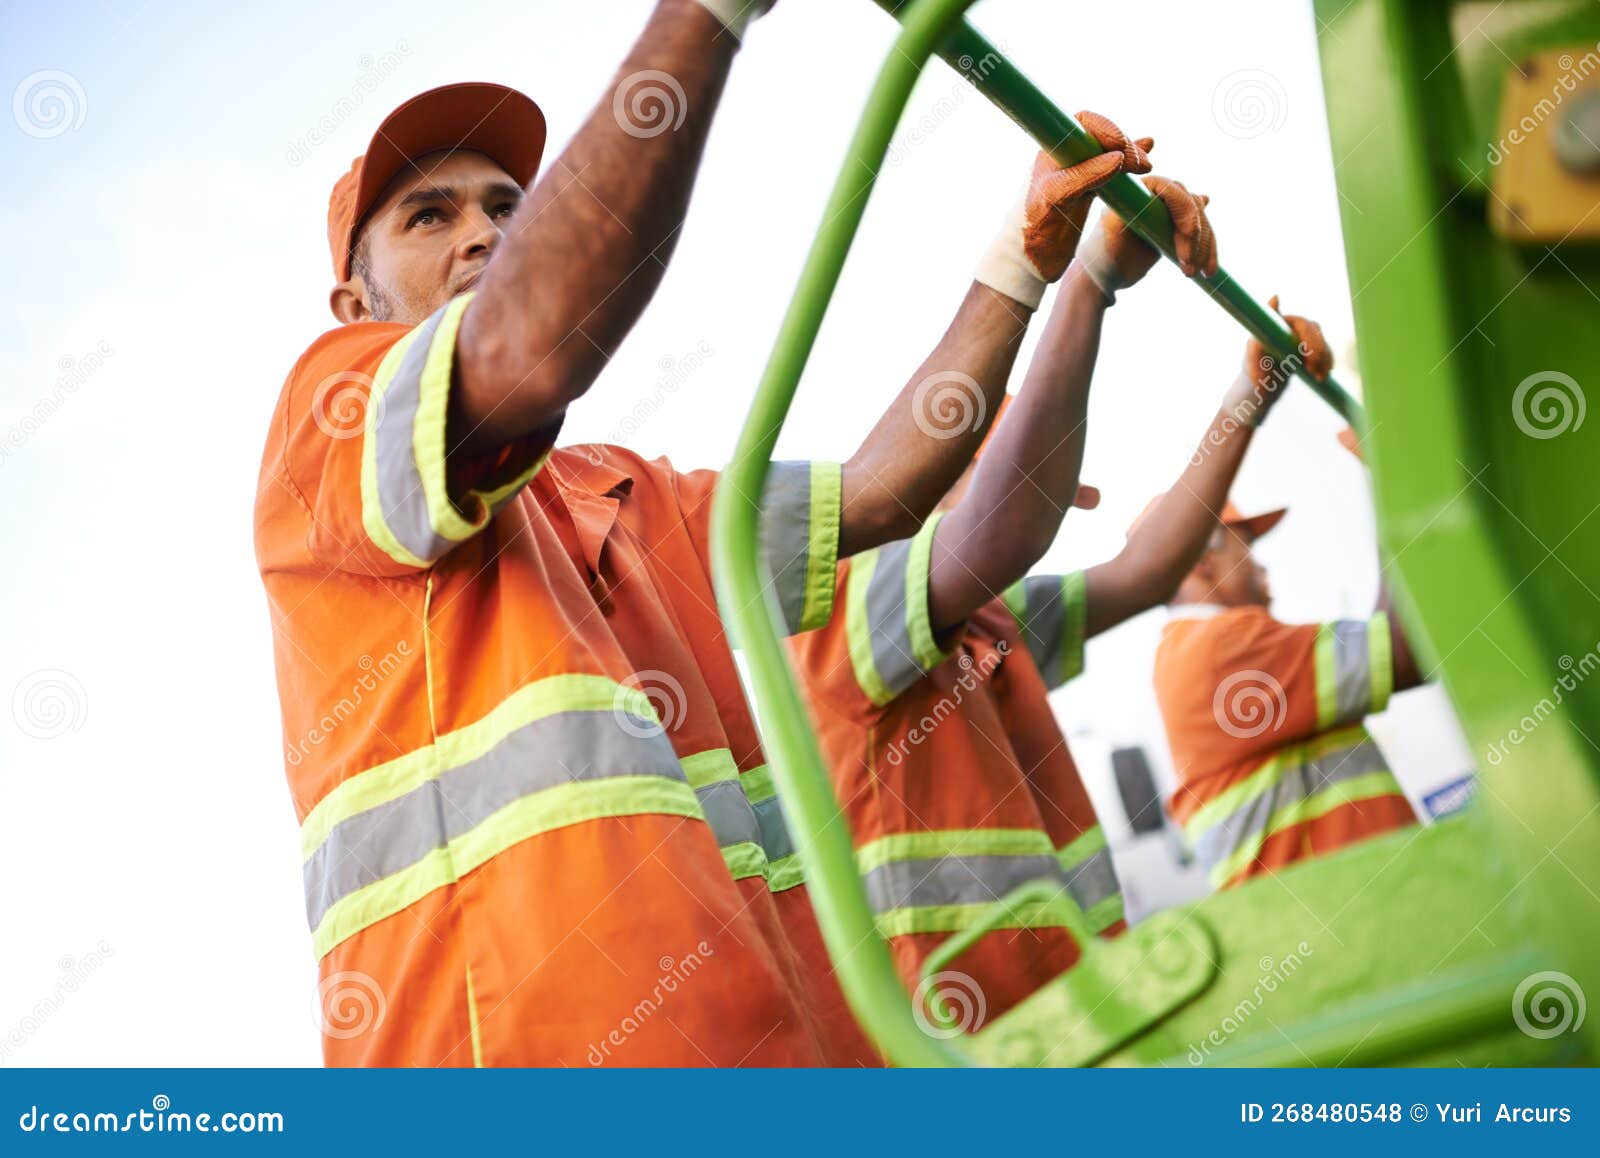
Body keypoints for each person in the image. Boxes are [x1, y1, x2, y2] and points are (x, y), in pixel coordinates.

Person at [254, 0, 1158, 1064]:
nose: (485, 233)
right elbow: (530, 350)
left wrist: (1030, 259)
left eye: (507, 205)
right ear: (353, 305)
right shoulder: (334, 418)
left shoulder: (628, 495)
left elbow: (882, 490)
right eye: (428, 217)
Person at [787, 173, 1243, 1027]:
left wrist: (1246, 398)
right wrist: (1090, 284)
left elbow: (1146, 572)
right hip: (956, 1046)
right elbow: (1007, 523)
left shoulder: (995, 619)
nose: (1052, 502)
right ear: (945, 469)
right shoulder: (845, 604)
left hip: (1068, 1014)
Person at [1152, 314, 1422, 893]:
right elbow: (1405, 650)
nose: (1264, 566)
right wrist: (1400, 484)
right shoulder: (1219, 648)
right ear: (1202, 562)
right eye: (1246, 548)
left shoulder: (1205, 650)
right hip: (1359, 934)